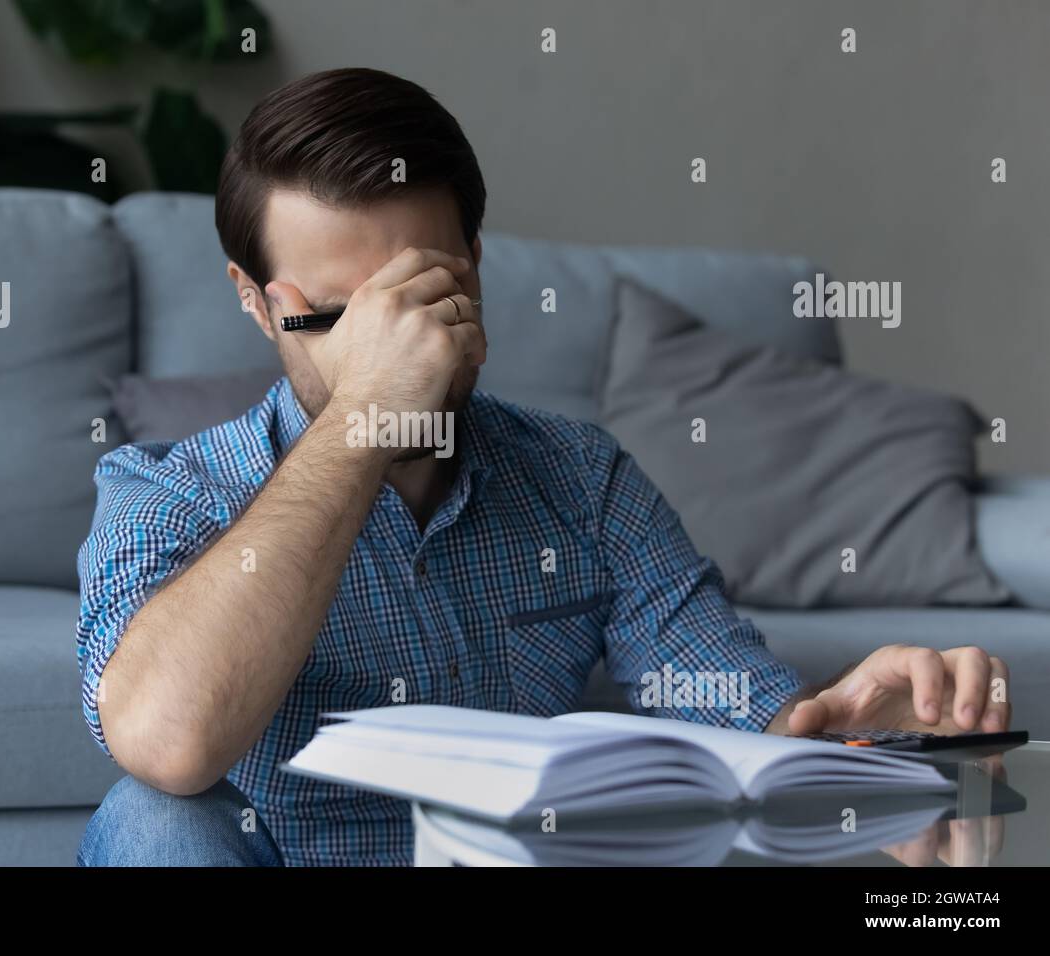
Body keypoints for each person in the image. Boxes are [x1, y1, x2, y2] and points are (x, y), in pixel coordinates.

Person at [75, 68, 1011, 867]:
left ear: (476, 267)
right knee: (156, 822)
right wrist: (363, 415)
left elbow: (726, 702)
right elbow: (168, 744)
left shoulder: (578, 478)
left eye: (424, 299)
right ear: (254, 302)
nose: (395, 352)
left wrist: (855, 735)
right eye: (334, 321)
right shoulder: (168, 491)